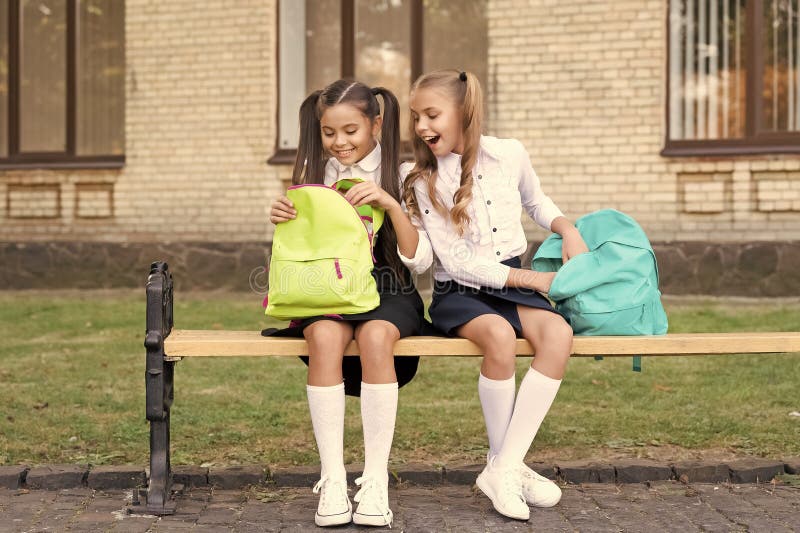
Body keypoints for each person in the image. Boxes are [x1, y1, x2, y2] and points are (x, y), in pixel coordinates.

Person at [399, 69, 589, 521]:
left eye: (432, 114)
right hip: (458, 292)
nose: (422, 126)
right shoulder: (418, 175)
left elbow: (536, 201)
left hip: (509, 280)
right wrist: (532, 282)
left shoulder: (509, 154)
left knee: (558, 335)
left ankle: (504, 465)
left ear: (464, 112)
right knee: (500, 337)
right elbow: (459, 261)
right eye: (416, 117)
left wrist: (567, 228)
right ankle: (507, 466)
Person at [267, 79, 428, 528]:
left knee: (377, 336)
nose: (340, 143)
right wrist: (283, 219)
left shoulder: (407, 173)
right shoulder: (314, 176)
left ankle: (375, 479)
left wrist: (390, 204)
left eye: (351, 130)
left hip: (389, 283)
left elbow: (420, 259)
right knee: (322, 334)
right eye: (329, 132)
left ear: (376, 124)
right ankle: (333, 477)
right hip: (329, 286)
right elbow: (301, 251)